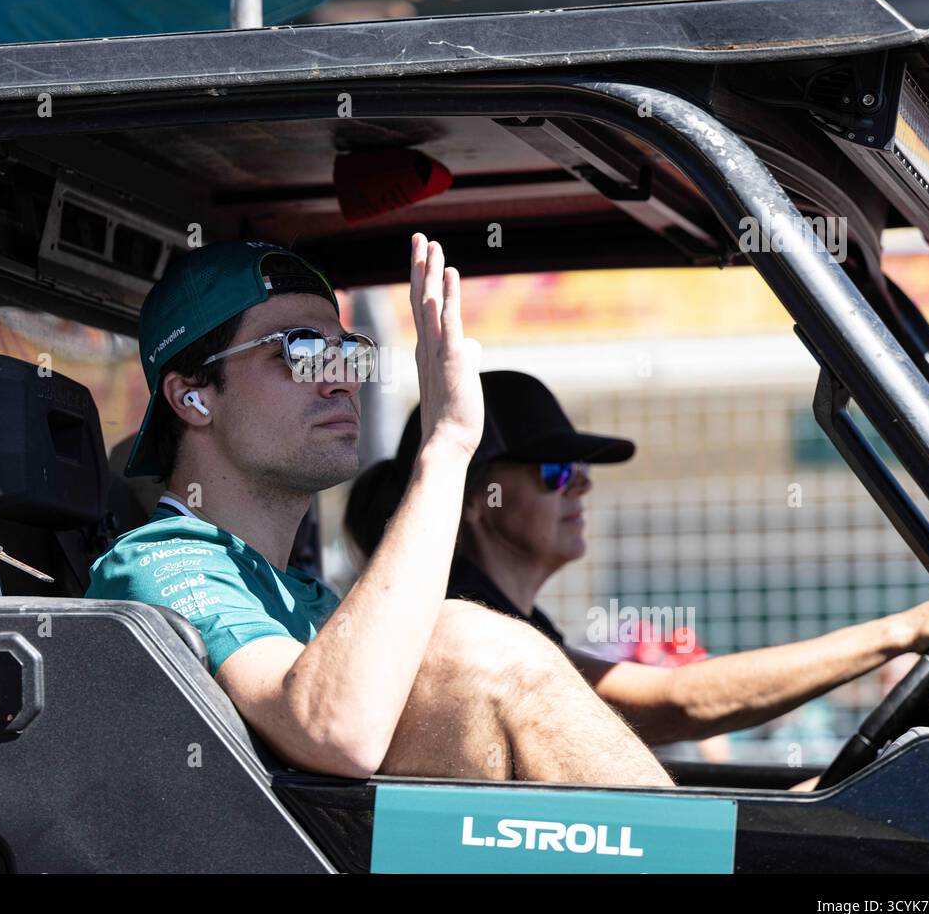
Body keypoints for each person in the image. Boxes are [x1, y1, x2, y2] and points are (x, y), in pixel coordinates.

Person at [87, 235, 673, 785]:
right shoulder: (157, 564)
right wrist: (446, 447)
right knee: (470, 640)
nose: (340, 378)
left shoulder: (304, 596)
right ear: (192, 396)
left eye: (348, 353)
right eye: (304, 351)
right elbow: (335, 731)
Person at [345, 370, 929, 748]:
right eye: (556, 472)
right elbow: (671, 705)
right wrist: (907, 629)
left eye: (580, 471)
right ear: (474, 495)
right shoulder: (460, 619)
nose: (583, 486)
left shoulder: (513, 620)